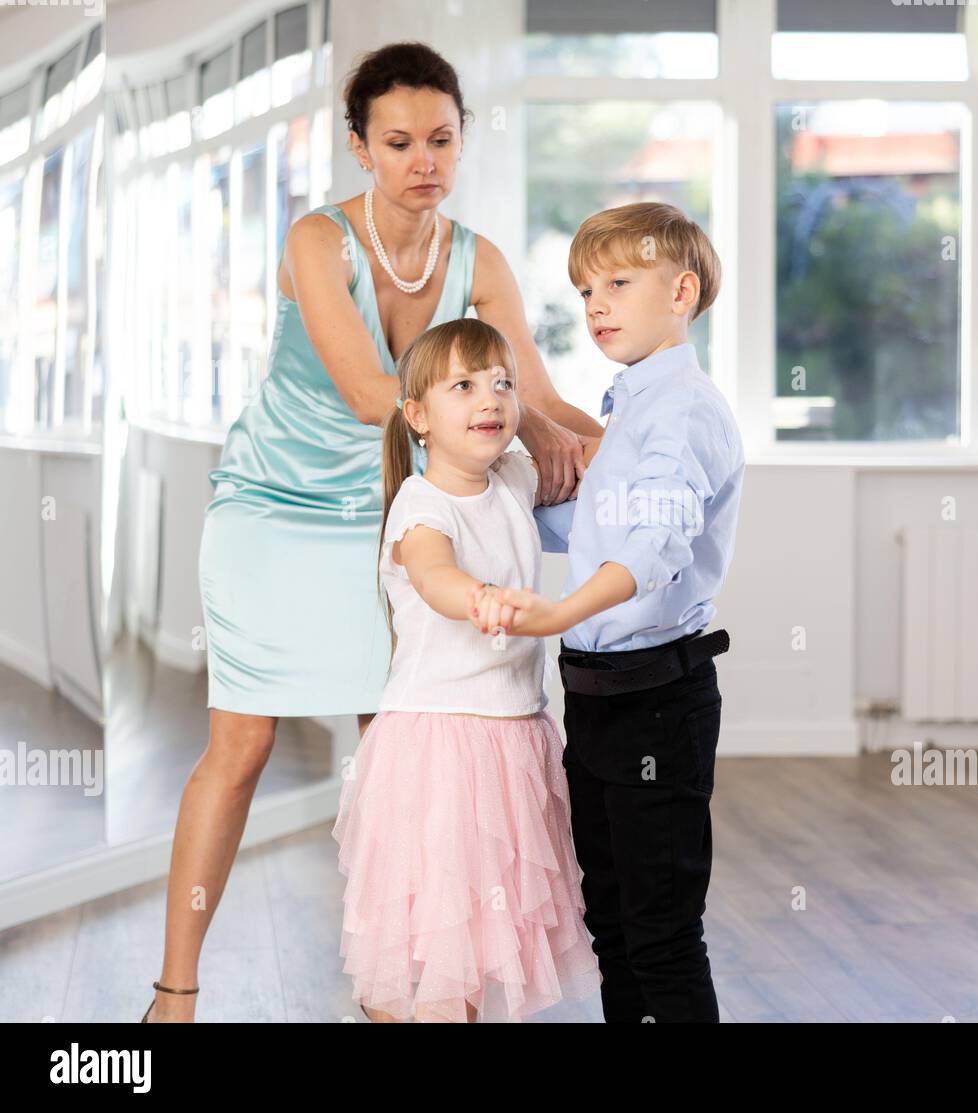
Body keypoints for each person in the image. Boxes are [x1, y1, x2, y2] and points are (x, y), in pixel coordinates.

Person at [143, 41, 601, 1023]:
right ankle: (173, 993)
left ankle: (399, 988)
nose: (422, 160)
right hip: (273, 512)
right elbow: (365, 392)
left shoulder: (477, 258)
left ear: (461, 140)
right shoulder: (320, 241)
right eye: (398, 141)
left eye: (440, 138)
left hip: (389, 522)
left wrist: (633, 438)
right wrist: (515, 412)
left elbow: (546, 392)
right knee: (244, 742)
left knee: (401, 754)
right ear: (360, 146)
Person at [478, 202, 745, 1022]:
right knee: (614, 926)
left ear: (682, 291)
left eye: (618, 283)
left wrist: (554, 615)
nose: (595, 304)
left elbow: (649, 552)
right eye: (586, 287)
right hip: (594, 699)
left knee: (661, 935)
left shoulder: (684, 415)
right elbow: (588, 528)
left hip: (655, 704)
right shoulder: (629, 413)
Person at [332, 317, 601, 1023]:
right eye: (464, 386)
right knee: (445, 944)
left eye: (502, 384)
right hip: (441, 749)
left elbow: (598, 460)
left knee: (482, 945)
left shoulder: (513, 474)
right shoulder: (421, 506)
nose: (491, 398)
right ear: (418, 417)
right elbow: (434, 575)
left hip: (514, 738)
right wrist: (480, 599)